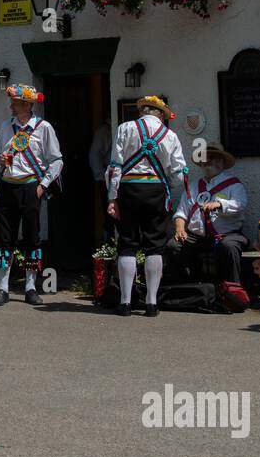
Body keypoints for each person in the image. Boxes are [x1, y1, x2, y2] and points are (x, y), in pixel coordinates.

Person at [106, 95, 186, 317]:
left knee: (128, 244)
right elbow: (178, 175)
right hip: (156, 191)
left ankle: (125, 302)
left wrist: (112, 197)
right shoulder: (170, 135)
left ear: (143, 111)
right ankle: (151, 304)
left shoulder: (125, 128)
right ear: (161, 114)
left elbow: (115, 166)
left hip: (129, 189)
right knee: (154, 245)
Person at [0, 83, 62, 307]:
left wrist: (42, 185)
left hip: (31, 186)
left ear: (26, 105)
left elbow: (57, 160)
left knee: (32, 237)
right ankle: (3, 288)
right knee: (5, 238)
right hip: (7, 186)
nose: (11, 107)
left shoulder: (44, 128)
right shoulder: (6, 126)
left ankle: (31, 287)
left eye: (15, 103)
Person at [167, 143, 251, 311]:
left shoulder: (234, 185)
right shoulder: (193, 187)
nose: (208, 161)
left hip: (227, 234)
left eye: (213, 158)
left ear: (222, 162)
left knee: (229, 247)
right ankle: (185, 292)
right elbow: (181, 213)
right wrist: (180, 228)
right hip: (196, 235)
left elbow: (240, 204)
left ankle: (233, 294)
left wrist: (219, 204)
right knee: (173, 246)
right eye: (205, 158)